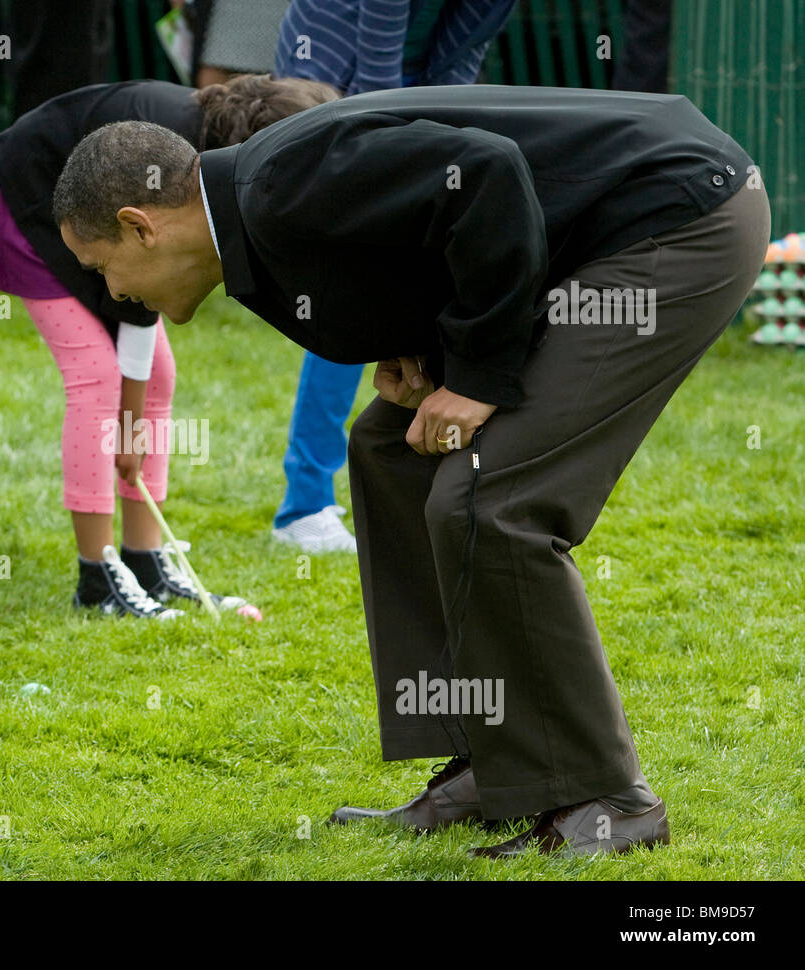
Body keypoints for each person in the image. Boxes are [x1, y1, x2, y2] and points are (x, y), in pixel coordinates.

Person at [52, 87, 769, 855]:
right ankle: (494, 762)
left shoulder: (281, 187)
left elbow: (486, 174)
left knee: (489, 499)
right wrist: (432, 356)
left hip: (674, 219)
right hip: (603, 234)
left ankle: (610, 800)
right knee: (391, 448)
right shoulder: (249, 220)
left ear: (141, 225)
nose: (114, 293)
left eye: (104, 268)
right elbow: (424, 236)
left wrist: (480, 377)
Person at [0, 75, 335, 617]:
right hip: (28, 195)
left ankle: (144, 559)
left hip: (99, 217)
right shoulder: (172, 165)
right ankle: (97, 577)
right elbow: (138, 295)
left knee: (156, 377)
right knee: (97, 375)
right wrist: (129, 429)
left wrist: (135, 424)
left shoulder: (202, 155)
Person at [269, 0, 517, 553]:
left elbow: (468, 38)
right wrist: (385, 127)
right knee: (350, 286)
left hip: (416, 78)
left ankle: (425, 482)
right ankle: (303, 506)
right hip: (331, 72)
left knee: (420, 274)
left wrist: (445, 125)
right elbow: (381, 17)